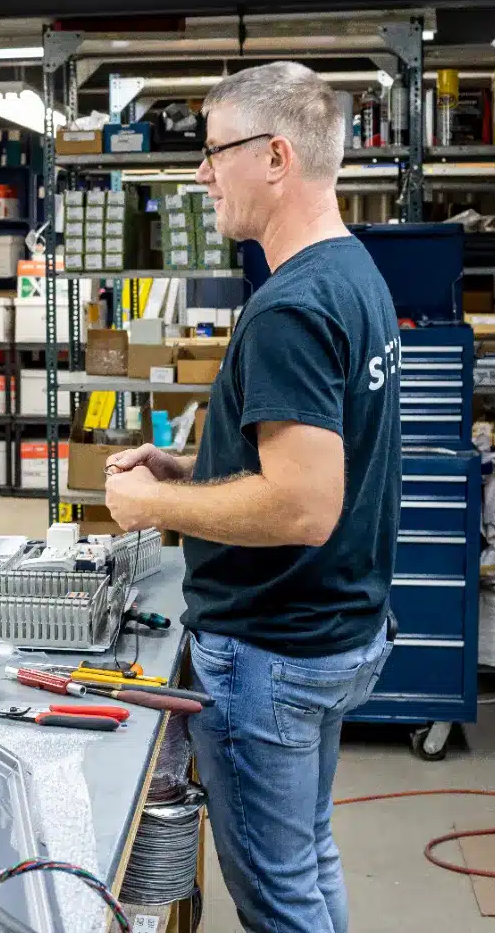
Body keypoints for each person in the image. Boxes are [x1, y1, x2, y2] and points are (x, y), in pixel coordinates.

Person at [103, 62, 400, 933]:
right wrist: (192, 476)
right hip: (334, 634)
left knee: (276, 899)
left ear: (275, 157)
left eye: (213, 152)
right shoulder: (355, 277)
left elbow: (304, 508)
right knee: (306, 861)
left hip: (274, 650)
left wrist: (155, 510)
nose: (202, 174)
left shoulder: (290, 308)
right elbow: (316, 472)